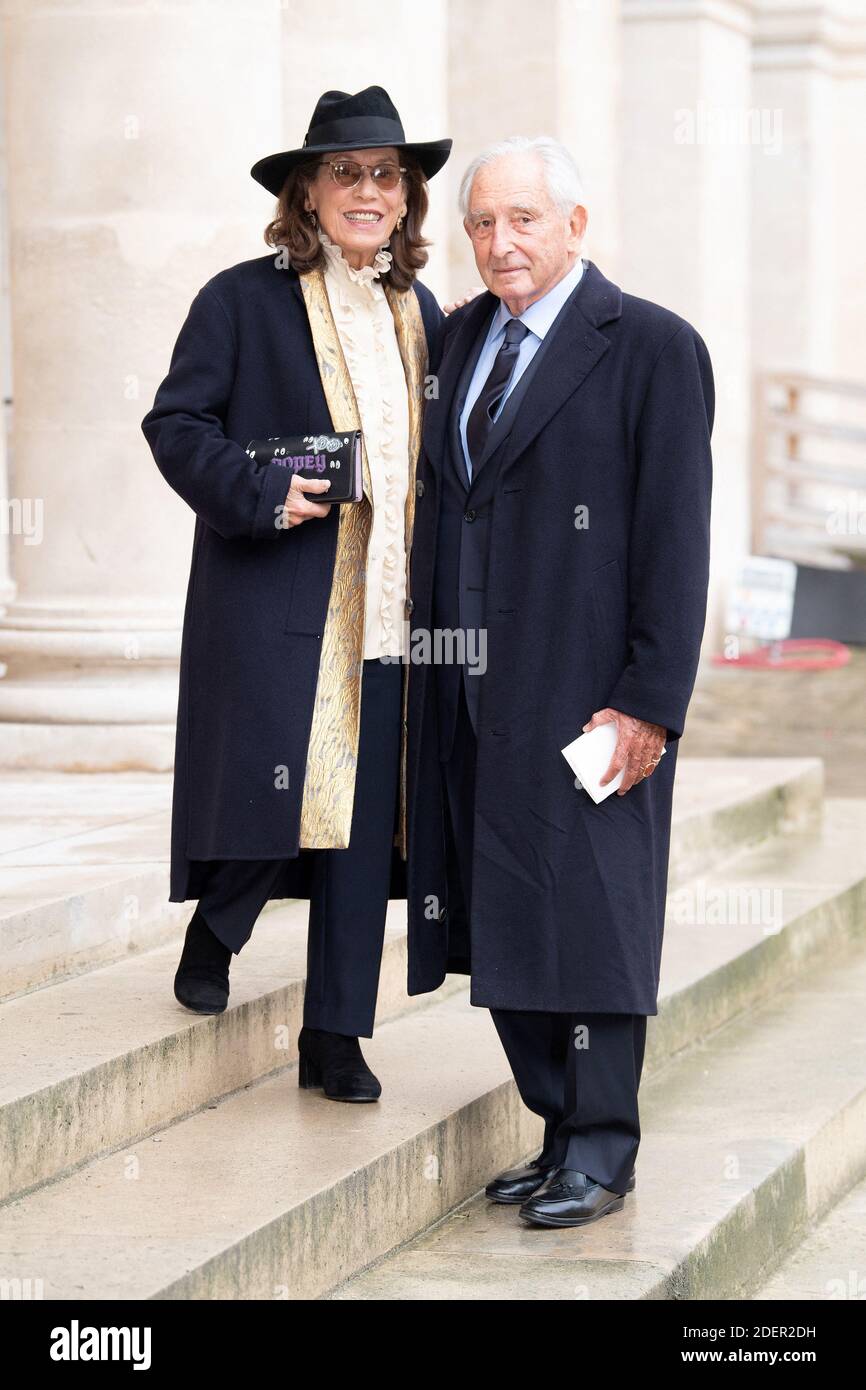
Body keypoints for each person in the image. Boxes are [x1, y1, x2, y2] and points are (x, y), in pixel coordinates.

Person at [404, 135, 714, 1226]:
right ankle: (553, 1130)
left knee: (589, 918)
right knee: (502, 919)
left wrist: (647, 702)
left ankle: (600, 1146)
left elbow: (676, 544)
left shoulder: (651, 349)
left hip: (589, 697)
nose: (498, 243)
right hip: (470, 687)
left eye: (522, 220)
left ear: (574, 225)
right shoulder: (457, 337)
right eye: (481, 223)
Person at [141, 86, 450, 1102]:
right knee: (272, 787)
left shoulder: (425, 312)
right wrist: (261, 491)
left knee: (364, 823)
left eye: (384, 174)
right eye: (345, 172)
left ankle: (334, 1036)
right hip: (283, 596)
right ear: (306, 193)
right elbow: (177, 425)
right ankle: (216, 926)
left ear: (404, 200)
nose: (367, 190)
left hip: (395, 607)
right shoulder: (238, 298)